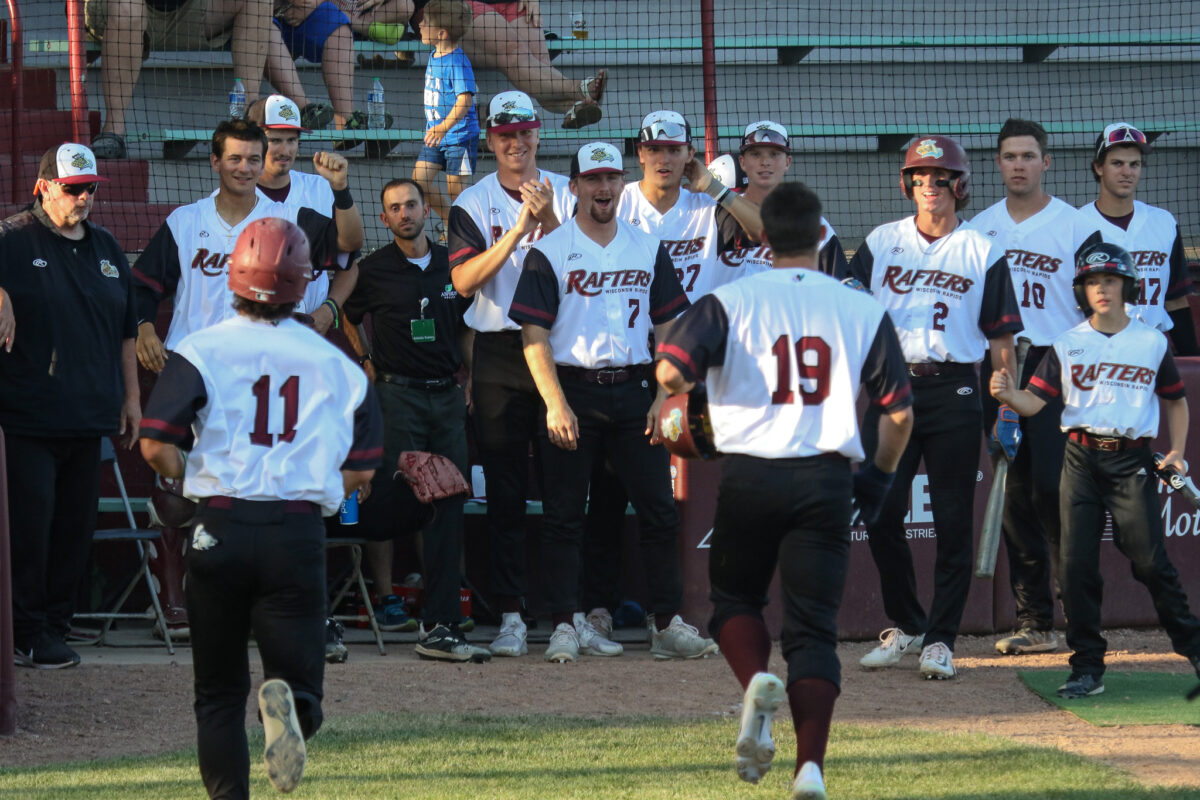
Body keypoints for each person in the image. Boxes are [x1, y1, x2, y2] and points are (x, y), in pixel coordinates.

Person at [655, 181, 914, 800]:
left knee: (734, 602)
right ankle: (810, 769)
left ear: (760, 236)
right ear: (822, 234)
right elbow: (899, 413)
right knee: (813, 632)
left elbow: (669, 370)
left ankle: (753, 682)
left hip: (750, 470)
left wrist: (700, 392)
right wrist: (876, 480)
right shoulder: (858, 306)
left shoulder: (729, 299)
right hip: (825, 477)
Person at [139, 217, 382, 799]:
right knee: (300, 680)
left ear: (235, 278)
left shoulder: (201, 347)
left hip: (219, 521)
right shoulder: (338, 364)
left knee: (217, 692)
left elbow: (154, 444)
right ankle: (293, 706)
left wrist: (187, 479)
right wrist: (320, 482)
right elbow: (365, 467)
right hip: (295, 529)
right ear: (303, 285)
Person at [509, 141, 717, 663]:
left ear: (621, 185)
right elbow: (533, 336)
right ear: (573, 187)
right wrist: (555, 404)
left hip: (638, 390)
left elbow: (670, 324)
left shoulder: (647, 247)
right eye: (592, 180)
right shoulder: (549, 252)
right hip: (572, 389)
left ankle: (667, 622)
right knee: (562, 517)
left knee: (659, 510)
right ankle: (563, 623)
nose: (603, 189)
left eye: (611, 179)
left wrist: (666, 393)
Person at [990, 241, 1200, 699]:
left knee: (1148, 562)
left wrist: (1178, 451)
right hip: (1080, 458)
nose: (1101, 289)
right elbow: (1033, 403)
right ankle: (1086, 667)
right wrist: (1008, 395)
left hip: (1132, 461)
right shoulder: (1067, 343)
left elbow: (1176, 400)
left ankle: (1194, 645)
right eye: (1091, 282)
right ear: (1081, 290)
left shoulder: (1150, 341)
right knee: (1076, 564)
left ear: (1126, 285)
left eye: (1109, 280)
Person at [849, 134, 1022, 680]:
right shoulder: (881, 241)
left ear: (959, 184)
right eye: (920, 178)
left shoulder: (982, 249)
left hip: (956, 390)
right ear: (908, 184)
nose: (930, 188)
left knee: (951, 520)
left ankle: (941, 640)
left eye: (940, 178)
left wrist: (1009, 408)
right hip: (890, 390)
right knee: (879, 512)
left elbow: (1002, 340)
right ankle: (908, 624)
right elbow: (850, 309)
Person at [1, 144, 140, 669]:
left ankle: (54, 627)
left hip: (91, 418)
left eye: (90, 189)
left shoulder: (106, 246)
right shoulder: (13, 238)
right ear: (44, 187)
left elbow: (126, 331)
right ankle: (24, 631)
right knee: (30, 530)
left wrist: (131, 398)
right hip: (28, 418)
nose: (83, 198)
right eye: (72, 189)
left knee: (73, 530)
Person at [447, 91, 574, 657]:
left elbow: (582, 263)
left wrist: (546, 219)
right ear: (490, 141)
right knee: (504, 494)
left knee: (565, 491)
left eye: (524, 132)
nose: (516, 143)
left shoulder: (569, 194)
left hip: (559, 351)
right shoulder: (472, 202)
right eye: (505, 135)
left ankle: (567, 616)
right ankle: (512, 615)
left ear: (537, 134)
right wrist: (518, 229)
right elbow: (465, 281)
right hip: (498, 353)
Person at [342, 178, 487, 661]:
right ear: (383, 220)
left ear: (427, 209)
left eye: (410, 205)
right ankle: (385, 598)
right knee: (389, 497)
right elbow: (346, 313)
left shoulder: (455, 263)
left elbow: (466, 328)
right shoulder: (373, 270)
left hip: (447, 397)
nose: (404, 214)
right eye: (394, 209)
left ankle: (442, 620)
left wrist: (471, 382)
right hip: (395, 397)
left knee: (448, 500)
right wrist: (365, 357)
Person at [969, 118, 1082, 656]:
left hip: (1057, 364)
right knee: (1014, 496)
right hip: (1002, 361)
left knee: (1057, 494)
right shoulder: (980, 229)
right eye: (1010, 156)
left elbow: (1099, 303)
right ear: (998, 163)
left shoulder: (1076, 226)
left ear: (1046, 162)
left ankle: (1079, 614)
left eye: (1028, 155)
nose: (1019, 164)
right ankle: (1034, 620)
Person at [132, 119, 363, 372]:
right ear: (215, 162)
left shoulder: (290, 219)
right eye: (235, 159)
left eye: (253, 159)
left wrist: (340, 189)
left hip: (262, 368)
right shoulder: (184, 221)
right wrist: (144, 327)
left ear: (262, 163)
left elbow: (348, 244)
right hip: (193, 367)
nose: (244, 168)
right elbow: (142, 286)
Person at [84, 0, 272, 159]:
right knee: (127, 6)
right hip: (123, 9)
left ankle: (246, 121)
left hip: (187, 10)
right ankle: (113, 130)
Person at [1073, 121, 1197, 356]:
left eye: (1135, 164)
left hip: (1155, 349)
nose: (1127, 172)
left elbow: (1175, 300)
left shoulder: (1164, 223)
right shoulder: (1076, 224)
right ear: (1099, 167)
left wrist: (1192, 357)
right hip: (1097, 351)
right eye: (1117, 163)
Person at [617, 109, 764, 303]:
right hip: (632, 332)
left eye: (674, 150)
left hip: (692, 329)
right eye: (654, 150)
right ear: (641, 154)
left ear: (690, 154)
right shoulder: (618, 204)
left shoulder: (708, 209)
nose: (664, 159)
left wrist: (714, 187)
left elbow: (764, 231)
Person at [255, 96, 361, 336]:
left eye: (292, 140)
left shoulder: (321, 188)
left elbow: (350, 262)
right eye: (276, 140)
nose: (285, 150)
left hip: (311, 331)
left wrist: (329, 309)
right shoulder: (234, 196)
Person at [716, 121, 848, 280]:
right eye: (756, 154)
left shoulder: (811, 222)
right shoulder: (719, 213)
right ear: (742, 162)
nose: (765, 162)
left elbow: (835, 284)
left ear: (787, 162)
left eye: (774, 154)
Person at [412, 0, 481, 227]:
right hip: (436, 137)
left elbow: (465, 100)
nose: (419, 24)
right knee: (419, 182)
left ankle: (471, 229)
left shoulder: (458, 61)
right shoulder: (434, 55)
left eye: (425, 22)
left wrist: (443, 127)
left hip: (459, 137)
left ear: (441, 33)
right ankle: (450, 223)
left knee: (456, 192)